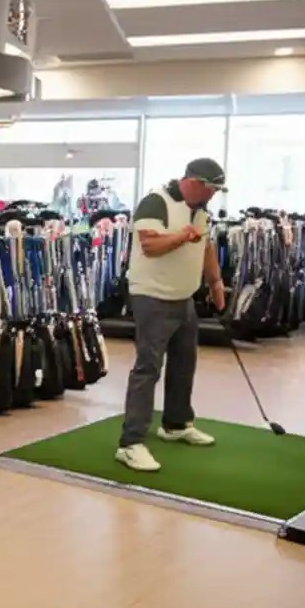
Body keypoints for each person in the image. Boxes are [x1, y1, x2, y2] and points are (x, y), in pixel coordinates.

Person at [116, 158, 228, 472]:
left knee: (184, 362)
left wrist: (215, 282)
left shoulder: (202, 210)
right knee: (148, 368)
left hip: (184, 298)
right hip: (152, 296)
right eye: (212, 189)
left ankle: (176, 424)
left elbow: (205, 247)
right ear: (194, 182)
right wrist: (183, 235)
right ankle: (130, 443)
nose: (213, 196)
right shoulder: (156, 201)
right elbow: (150, 244)